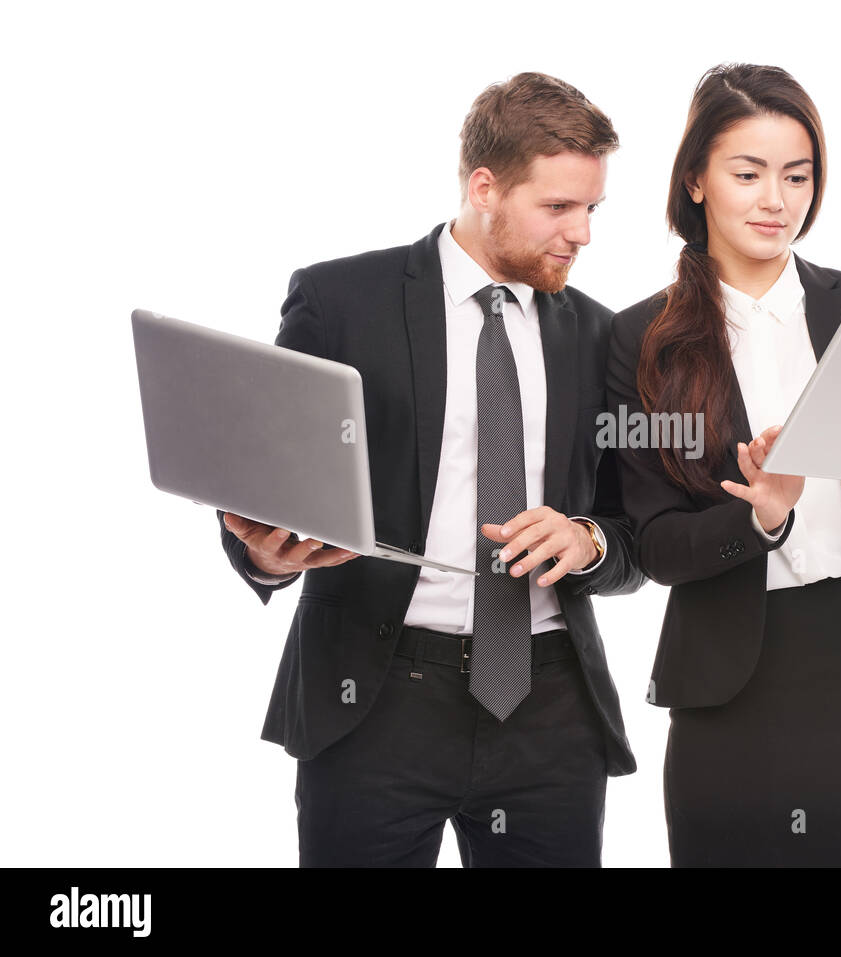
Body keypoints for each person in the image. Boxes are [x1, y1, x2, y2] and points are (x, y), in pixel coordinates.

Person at [218, 72, 645, 867]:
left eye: (592, 208)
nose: (582, 233)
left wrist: (586, 538)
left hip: (549, 706)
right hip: (376, 699)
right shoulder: (341, 300)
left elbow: (631, 535)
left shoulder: (600, 334)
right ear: (484, 187)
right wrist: (264, 553)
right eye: (558, 208)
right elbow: (264, 480)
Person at [606, 63, 841, 866]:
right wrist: (759, 515)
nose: (778, 199)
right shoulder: (641, 340)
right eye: (750, 173)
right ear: (696, 179)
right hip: (732, 676)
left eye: (798, 176)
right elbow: (656, 544)